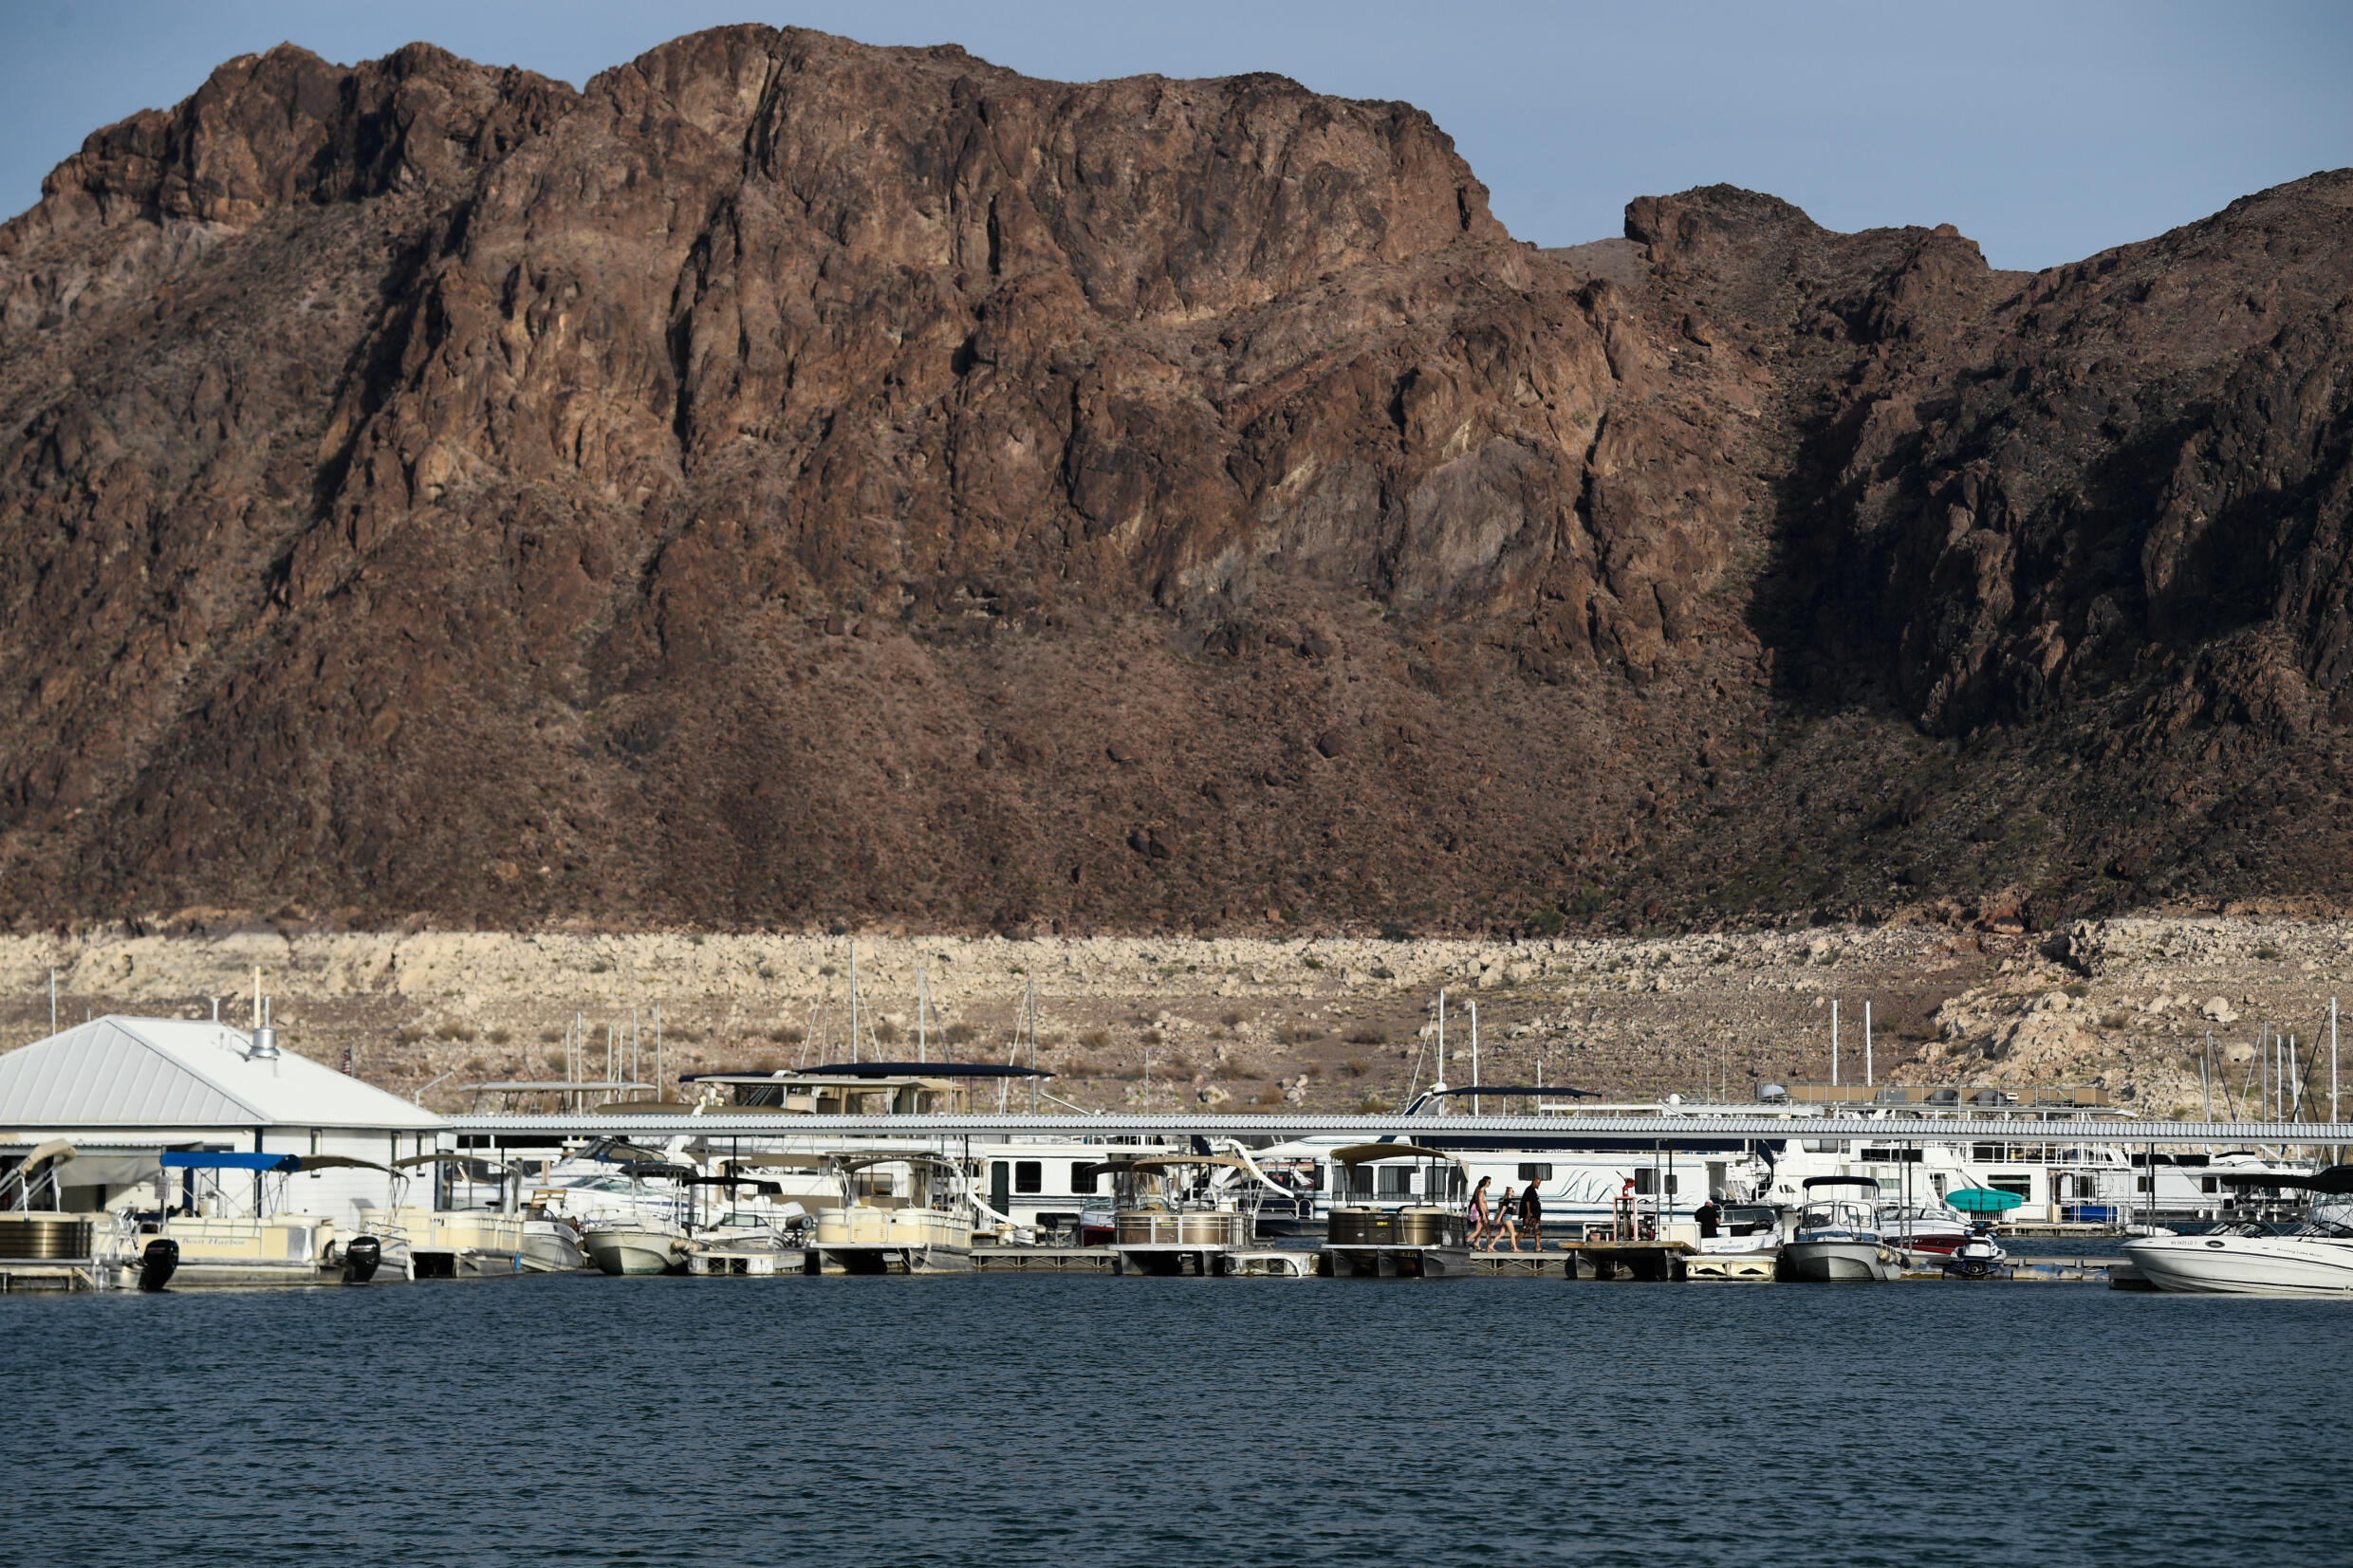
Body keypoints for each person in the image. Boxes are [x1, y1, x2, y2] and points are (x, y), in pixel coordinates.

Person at [1467, 1174, 1493, 1248]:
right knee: (1488, 1231)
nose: (1489, 1184)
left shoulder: (1483, 1191)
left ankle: (1476, 1243)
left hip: (1482, 1213)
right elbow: (1481, 1203)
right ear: (1485, 1182)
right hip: (1482, 1213)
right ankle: (1490, 1247)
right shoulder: (1481, 1191)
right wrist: (1484, 1214)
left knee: (1479, 1230)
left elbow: (1484, 1203)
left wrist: (1487, 1210)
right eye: (1489, 1182)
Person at [1520, 1179, 1544, 1250]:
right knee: (1525, 1230)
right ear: (1534, 1182)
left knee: (1537, 1231)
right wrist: (1528, 1212)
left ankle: (1538, 1247)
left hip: (1535, 1216)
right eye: (1538, 1183)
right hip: (1531, 1215)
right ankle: (1513, 1243)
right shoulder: (1529, 1189)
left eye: (1539, 1183)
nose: (1539, 1184)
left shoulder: (1532, 1190)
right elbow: (1527, 1201)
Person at [1496, 1185, 1521, 1252]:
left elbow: (1507, 1210)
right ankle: (1514, 1248)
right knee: (1513, 1233)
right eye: (1512, 1191)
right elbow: (1503, 1210)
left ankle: (1491, 1246)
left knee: (1501, 1234)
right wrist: (1499, 1218)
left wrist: (1513, 1209)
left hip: (1507, 1217)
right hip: (1507, 1218)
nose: (1513, 1192)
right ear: (1509, 1192)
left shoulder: (1510, 1201)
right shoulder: (1507, 1200)